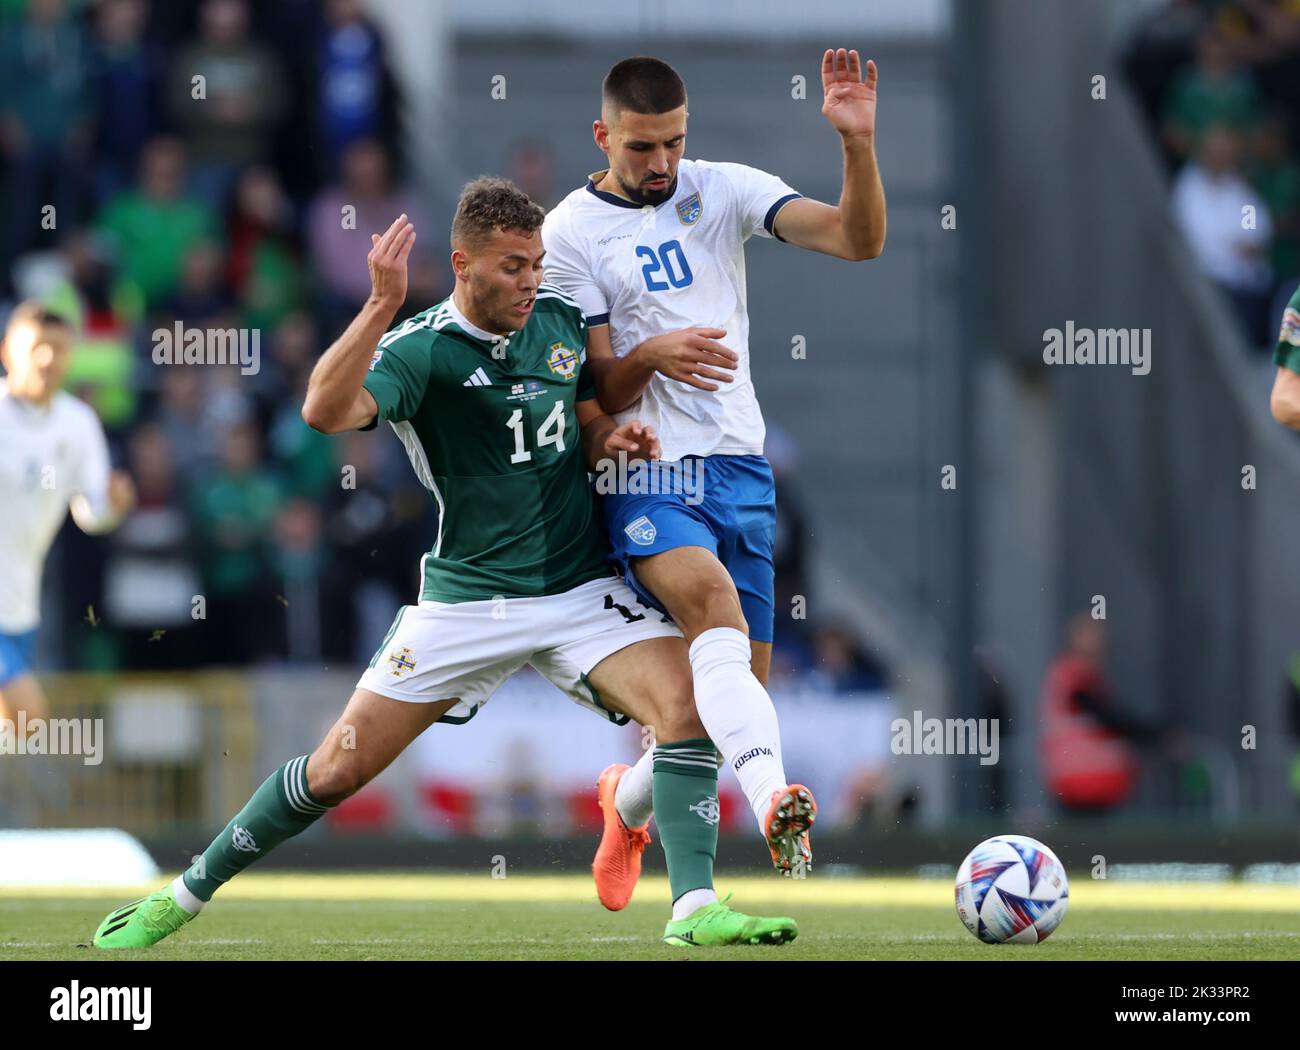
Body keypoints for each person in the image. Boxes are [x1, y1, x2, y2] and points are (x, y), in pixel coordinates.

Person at [92, 179, 798, 950]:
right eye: (510, 267)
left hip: (579, 590)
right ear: (462, 264)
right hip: (467, 604)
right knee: (334, 772)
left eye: (534, 263)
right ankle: (184, 895)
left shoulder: (559, 322)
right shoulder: (419, 350)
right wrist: (377, 306)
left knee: (689, 704)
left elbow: (585, 420)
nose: (531, 280)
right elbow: (324, 412)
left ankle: (692, 908)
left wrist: (610, 442)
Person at [540, 49, 886, 906]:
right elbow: (594, 387)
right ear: (603, 135)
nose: (660, 165)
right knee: (712, 613)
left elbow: (857, 240)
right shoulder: (569, 233)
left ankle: (624, 805)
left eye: (673, 145)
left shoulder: (722, 189)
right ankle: (773, 801)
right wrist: (650, 354)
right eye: (641, 148)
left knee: (717, 710)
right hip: (646, 471)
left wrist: (856, 146)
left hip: (741, 469)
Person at [0, 303, 135, 731]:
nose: (47, 358)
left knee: (17, 726)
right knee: (28, 715)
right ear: (7, 352)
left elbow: (91, 513)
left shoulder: (77, 425)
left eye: (58, 348)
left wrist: (115, 503)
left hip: (19, 604)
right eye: (37, 346)